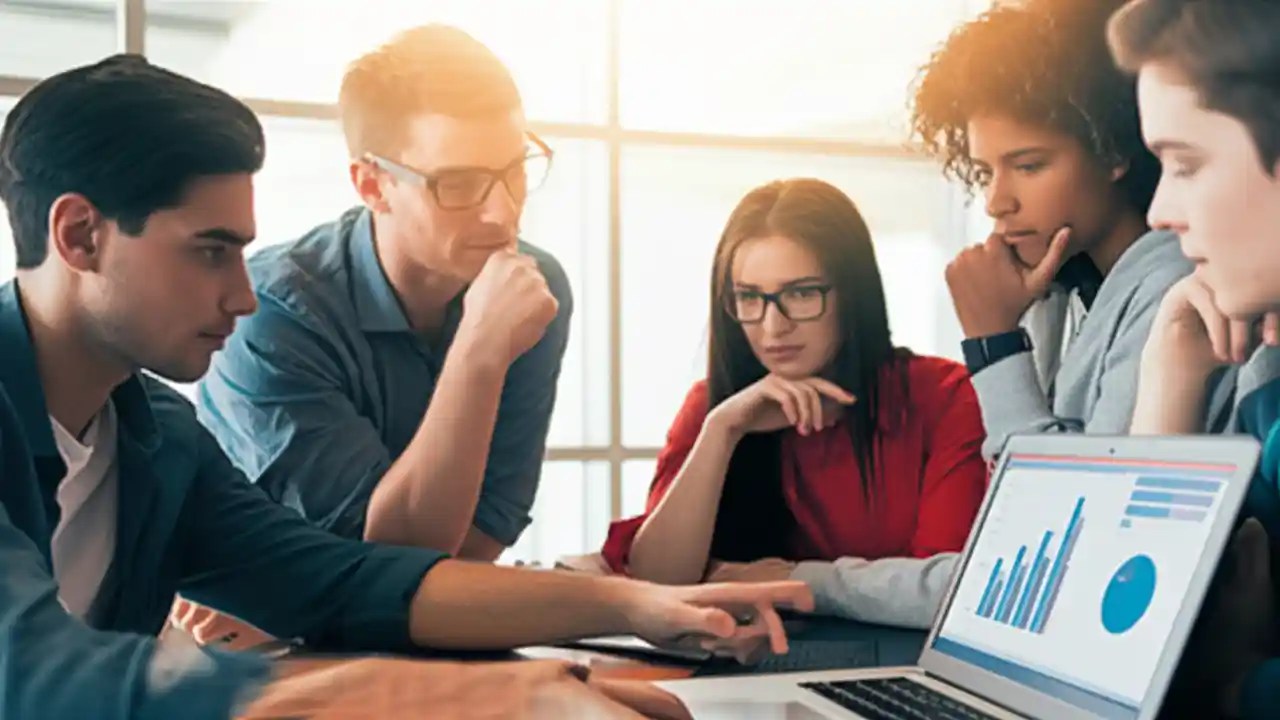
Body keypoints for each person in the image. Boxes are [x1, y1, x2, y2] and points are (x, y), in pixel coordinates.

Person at [0, 53, 812, 720]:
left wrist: (639, 610)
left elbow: (350, 580)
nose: (243, 295)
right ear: (80, 235)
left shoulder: (158, 440)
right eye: (210, 251)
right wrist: (463, 698)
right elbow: (44, 677)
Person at [197, 24, 571, 561]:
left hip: (396, 625)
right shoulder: (271, 312)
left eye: (516, 170)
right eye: (459, 184)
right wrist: (480, 350)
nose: (504, 211)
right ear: (373, 185)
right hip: (237, 631)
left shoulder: (534, 286)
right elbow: (383, 562)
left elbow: (486, 528)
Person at [600, 178, 989, 626]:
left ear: (853, 293)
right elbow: (659, 586)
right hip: (745, 662)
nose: (772, 326)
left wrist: (789, 580)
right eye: (749, 297)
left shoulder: (943, 396)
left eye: (802, 294)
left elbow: (942, 588)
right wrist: (722, 431)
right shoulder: (715, 407)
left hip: (898, 662)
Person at [911, 0, 1222, 462]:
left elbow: (1078, 504)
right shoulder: (1064, 286)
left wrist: (994, 344)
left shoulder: (1170, 282)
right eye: (984, 173)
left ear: (1113, 150)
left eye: (1029, 165)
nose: (998, 202)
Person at [1109, 1, 1280, 717]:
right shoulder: (1270, 413)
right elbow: (1129, 631)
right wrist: (1169, 375)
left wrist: (1233, 682)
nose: (1157, 212)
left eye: (1185, 164)